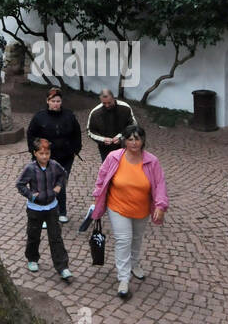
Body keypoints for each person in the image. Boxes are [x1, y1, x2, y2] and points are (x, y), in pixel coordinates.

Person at [91, 123, 168, 301]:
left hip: (141, 209)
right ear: (125, 141)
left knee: (136, 238)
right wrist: (97, 197)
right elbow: (102, 178)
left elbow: (160, 184)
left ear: (143, 141)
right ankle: (123, 279)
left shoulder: (152, 161)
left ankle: (134, 263)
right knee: (123, 240)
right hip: (117, 207)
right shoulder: (114, 157)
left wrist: (160, 205)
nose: (134, 143)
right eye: (130, 139)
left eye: (137, 139)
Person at [16, 138, 73, 282]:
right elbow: (20, 184)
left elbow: (63, 174)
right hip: (35, 209)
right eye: (41, 153)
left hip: (52, 207)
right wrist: (31, 195)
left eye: (47, 153)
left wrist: (59, 186)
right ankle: (32, 258)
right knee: (33, 235)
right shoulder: (30, 168)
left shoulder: (54, 165)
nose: (44, 156)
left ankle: (62, 266)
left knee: (56, 237)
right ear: (35, 153)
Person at [26, 88, 82, 223]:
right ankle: (44, 215)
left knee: (60, 184)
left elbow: (77, 133)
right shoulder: (40, 117)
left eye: (58, 101)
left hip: (65, 157)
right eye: (53, 101)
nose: (56, 104)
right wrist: (34, 152)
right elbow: (31, 134)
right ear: (47, 101)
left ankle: (62, 211)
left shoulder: (69, 115)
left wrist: (75, 149)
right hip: (45, 158)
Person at [87, 88, 138, 162]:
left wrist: (121, 137)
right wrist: (103, 139)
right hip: (105, 148)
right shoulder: (95, 113)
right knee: (108, 170)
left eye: (109, 102)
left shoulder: (125, 108)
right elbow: (91, 131)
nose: (107, 105)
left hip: (124, 145)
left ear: (114, 98)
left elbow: (133, 125)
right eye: (104, 103)